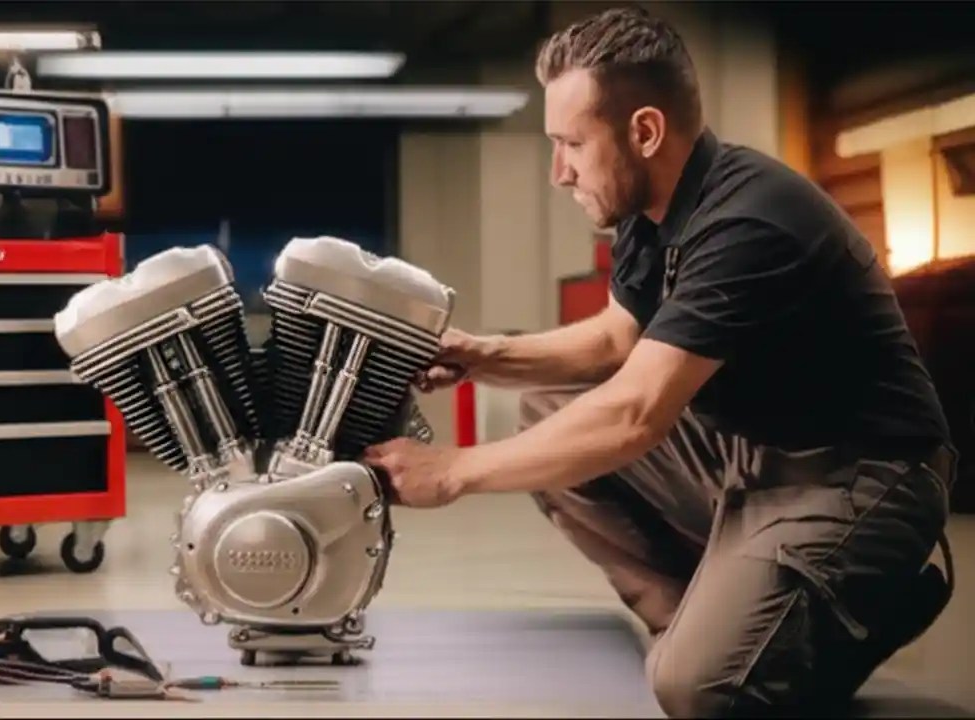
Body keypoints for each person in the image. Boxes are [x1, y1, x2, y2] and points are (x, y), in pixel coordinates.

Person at [364, 6, 956, 717]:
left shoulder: (749, 221)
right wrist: (480, 354)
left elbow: (637, 412)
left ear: (644, 131)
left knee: (696, 689)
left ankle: (815, 625)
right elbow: (616, 342)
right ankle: (698, 619)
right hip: (753, 453)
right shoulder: (653, 212)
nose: (559, 172)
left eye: (571, 144)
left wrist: (456, 471)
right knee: (546, 408)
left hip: (860, 476)